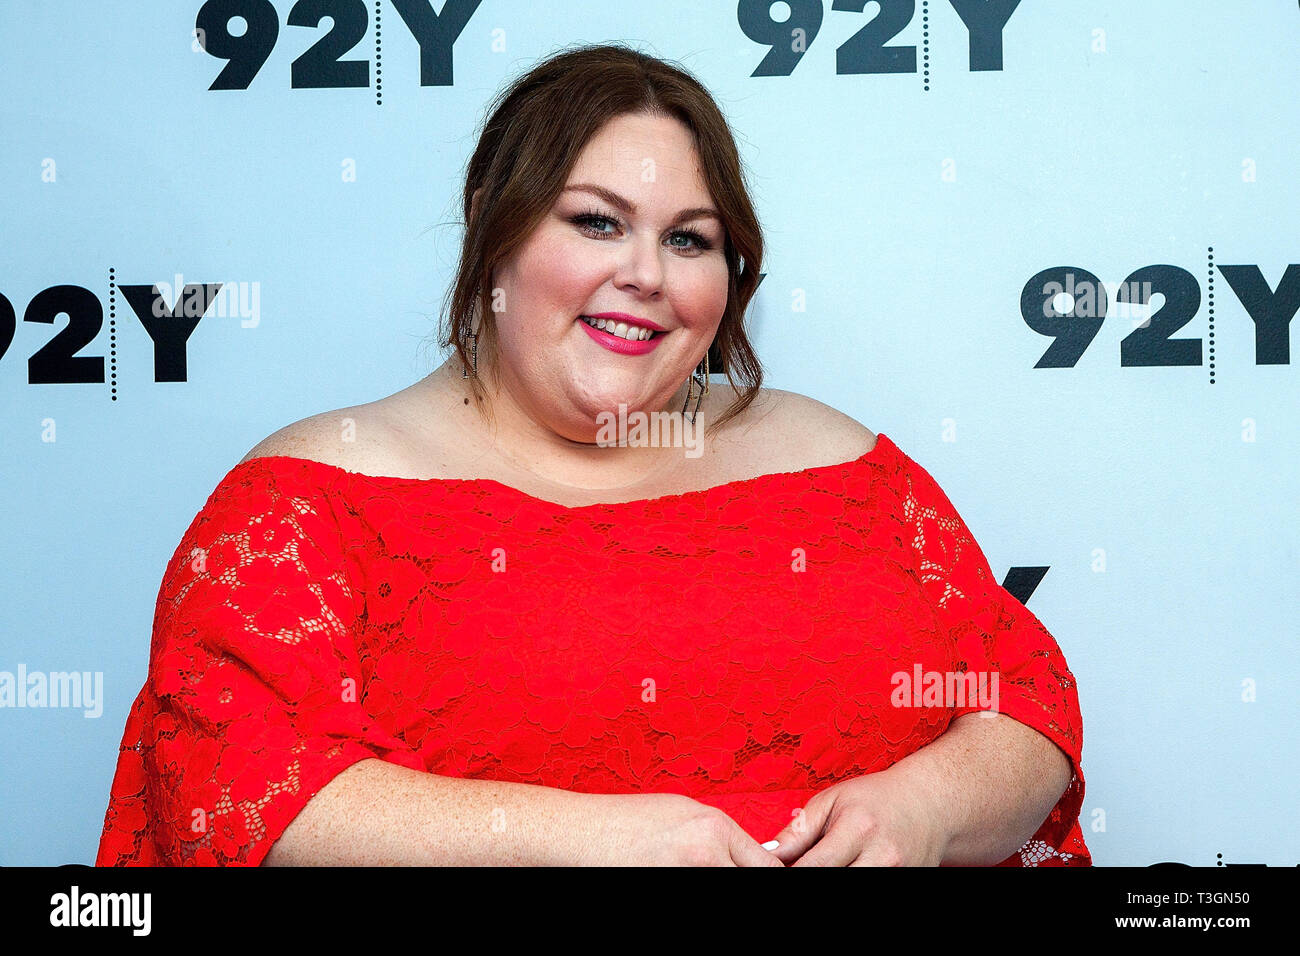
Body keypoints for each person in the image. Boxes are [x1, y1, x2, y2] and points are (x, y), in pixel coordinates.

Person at [95, 43, 1089, 867]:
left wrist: (920, 805)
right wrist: (592, 842)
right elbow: (234, 797)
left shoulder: (846, 464)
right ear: (497, 221)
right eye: (596, 221)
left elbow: (1023, 705)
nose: (645, 274)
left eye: (690, 240)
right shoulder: (309, 496)